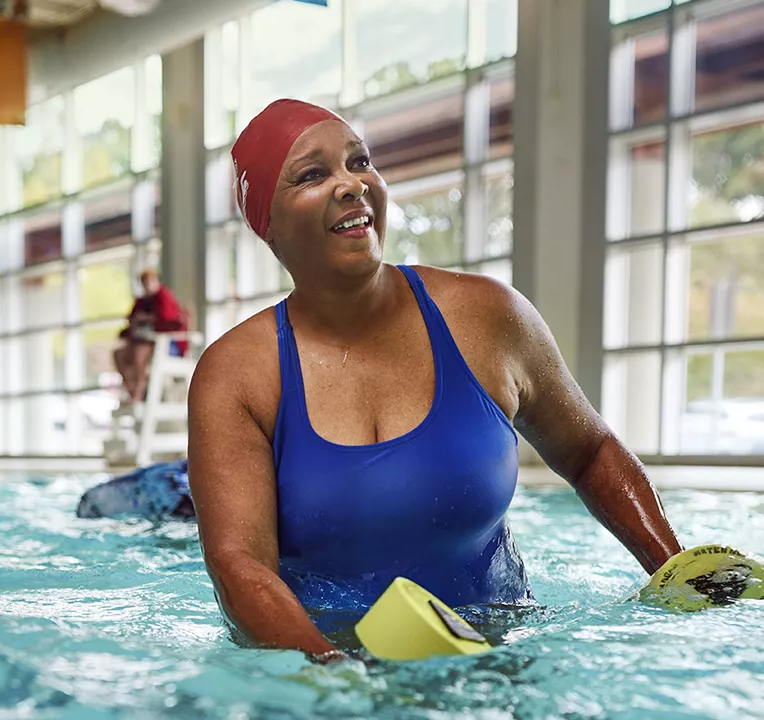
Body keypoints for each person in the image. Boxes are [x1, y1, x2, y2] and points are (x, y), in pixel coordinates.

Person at [186, 99, 683, 663]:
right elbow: (241, 565)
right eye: (312, 174)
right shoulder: (237, 374)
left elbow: (590, 452)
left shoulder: (487, 317)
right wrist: (329, 674)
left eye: (360, 162)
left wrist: (678, 570)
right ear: (267, 224)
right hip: (321, 664)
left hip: (497, 646)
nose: (352, 185)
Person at [113, 268, 187, 402]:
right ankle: (132, 390)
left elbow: (171, 322)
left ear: (156, 281)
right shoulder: (141, 302)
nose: (147, 286)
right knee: (119, 354)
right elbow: (130, 321)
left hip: (168, 344)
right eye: (144, 283)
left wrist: (148, 319)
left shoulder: (164, 296)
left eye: (149, 282)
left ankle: (138, 393)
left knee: (140, 352)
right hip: (144, 343)